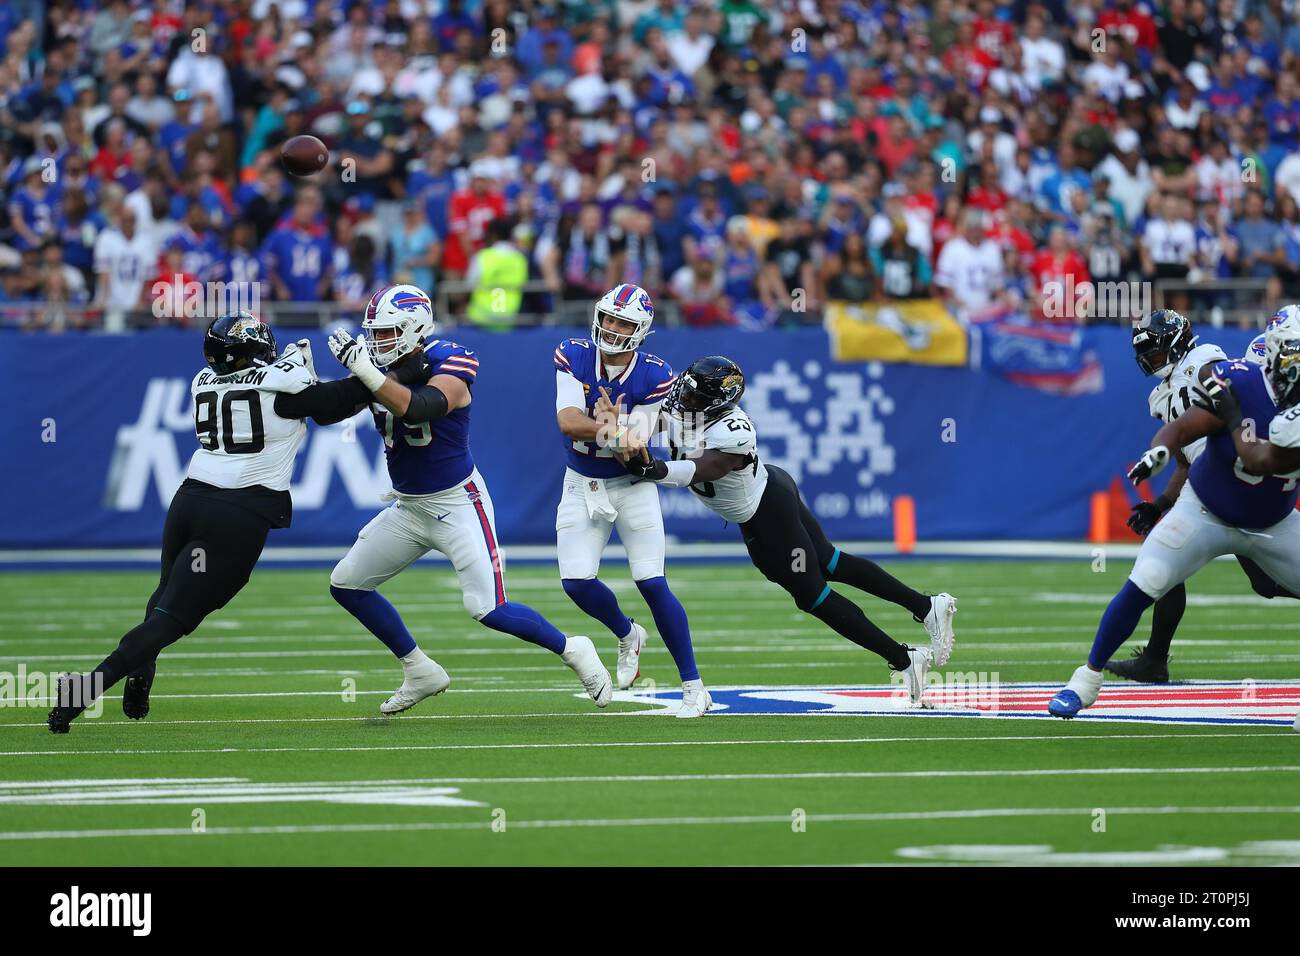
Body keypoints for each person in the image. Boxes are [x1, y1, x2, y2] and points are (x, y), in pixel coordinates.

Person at [48, 312, 410, 732]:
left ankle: (141, 673)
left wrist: (301, 373)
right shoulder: (280, 386)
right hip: (236, 511)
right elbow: (335, 404)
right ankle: (84, 690)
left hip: (190, 499)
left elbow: (288, 396)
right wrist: (384, 368)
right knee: (174, 618)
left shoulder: (203, 382)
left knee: (165, 593)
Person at [326, 284, 612, 714]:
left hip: (458, 503)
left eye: (386, 333)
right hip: (408, 508)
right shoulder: (381, 367)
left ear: (413, 329)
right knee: (347, 584)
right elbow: (334, 409)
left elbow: (420, 407)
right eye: (374, 334)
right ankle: (420, 670)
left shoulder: (450, 358)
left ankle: (574, 649)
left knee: (488, 608)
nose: (376, 342)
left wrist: (367, 375)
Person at [621, 356, 958, 707]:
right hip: (773, 487)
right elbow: (646, 425)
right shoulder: (685, 407)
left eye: (694, 396)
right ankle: (927, 606)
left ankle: (905, 660)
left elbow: (700, 469)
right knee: (830, 562)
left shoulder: (731, 430)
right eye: (685, 389)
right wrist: (620, 429)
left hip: (766, 515)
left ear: (718, 404)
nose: (683, 399)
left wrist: (654, 468)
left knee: (814, 596)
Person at [1049, 313, 1300, 717]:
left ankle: (1153, 659)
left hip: (1272, 519)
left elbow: (1258, 458)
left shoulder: (1214, 367)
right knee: (1149, 577)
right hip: (1207, 503)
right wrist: (1160, 493)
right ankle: (1086, 679)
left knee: (1264, 585)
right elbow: (1183, 436)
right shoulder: (1235, 380)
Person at [1109, 309, 1299, 684]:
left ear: (1177, 343)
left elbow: (1234, 398)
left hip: (1241, 475)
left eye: (1158, 353)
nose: (1153, 363)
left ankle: (1153, 660)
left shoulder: (1204, 362)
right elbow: (1185, 460)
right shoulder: (1162, 395)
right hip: (1209, 480)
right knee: (1169, 566)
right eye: (1148, 357)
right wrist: (1159, 504)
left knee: (1262, 582)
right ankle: (1154, 659)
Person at [553, 283, 709, 716]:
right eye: (609, 317)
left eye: (624, 322)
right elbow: (567, 422)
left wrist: (612, 428)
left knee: (651, 581)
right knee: (576, 582)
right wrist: (614, 429)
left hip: (632, 485)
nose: (613, 328)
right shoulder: (573, 352)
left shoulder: (656, 373)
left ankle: (694, 686)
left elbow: (635, 448)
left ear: (641, 331)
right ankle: (627, 633)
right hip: (581, 482)